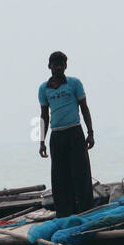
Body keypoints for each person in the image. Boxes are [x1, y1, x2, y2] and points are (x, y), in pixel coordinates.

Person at [37, 51, 95, 217]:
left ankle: (87, 211)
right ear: (49, 66)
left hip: (75, 132)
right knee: (59, 176)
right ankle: (64, 213)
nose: (59, 67)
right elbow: (44, 116)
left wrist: (90, 133)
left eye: (62, 64)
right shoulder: (43, 89)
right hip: (57, 135)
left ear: (66, 66)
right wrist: (41, 141)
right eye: (56, 64)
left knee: (81, 173)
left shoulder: (74, 83)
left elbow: (84, 109)